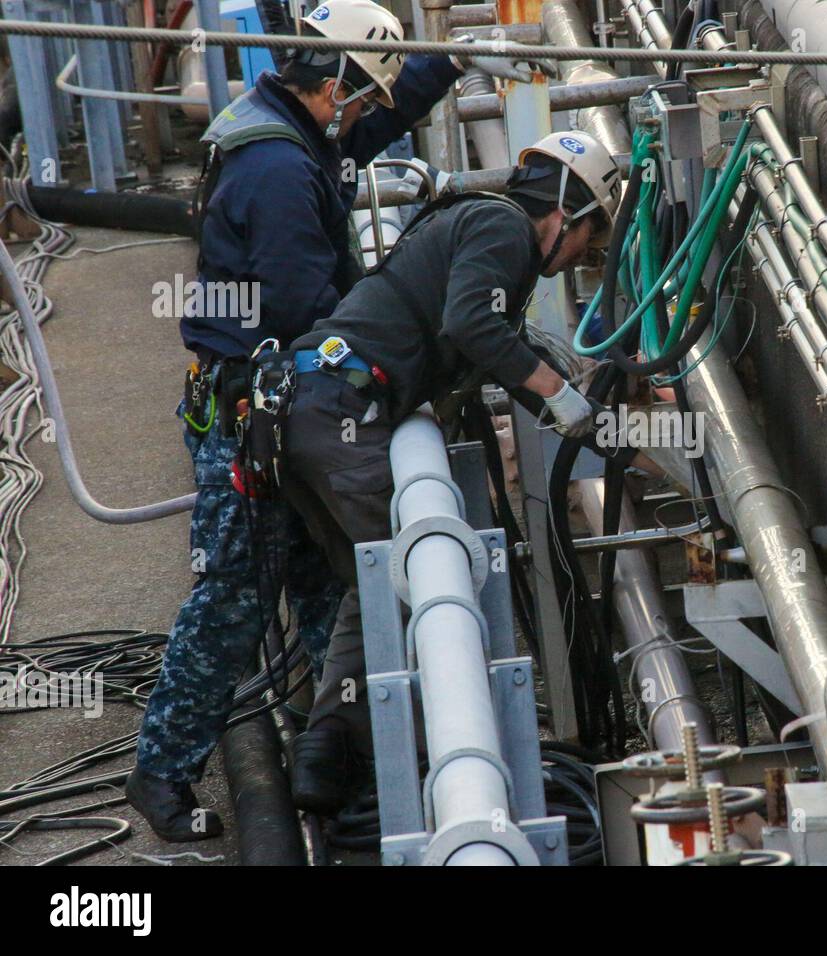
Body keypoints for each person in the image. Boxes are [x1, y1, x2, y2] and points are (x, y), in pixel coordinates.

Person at [127, 0, 545, 842]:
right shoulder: (280, 170)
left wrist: (451, 64)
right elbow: (308, 308)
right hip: (250, 411)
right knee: (237, 599)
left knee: (336, 585)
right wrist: (385, 344)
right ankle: (162, 773)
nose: (361, 115)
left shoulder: (293, 126)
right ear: (335, 82)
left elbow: (370, 125)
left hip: (277, 407)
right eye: (360, 96)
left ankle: (348, 765)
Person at [278, 130, 637, 812]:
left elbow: (487, 332)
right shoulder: (503, 228)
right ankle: (447, 778)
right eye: (590, 236)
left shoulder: (478, 221)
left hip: (315, 407)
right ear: (565, 212)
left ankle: (326, 766)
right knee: (420, 584)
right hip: (340, 413)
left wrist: (568, 386)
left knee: (373, 582)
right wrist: (558, 397)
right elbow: (472, 324)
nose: (585, 254)